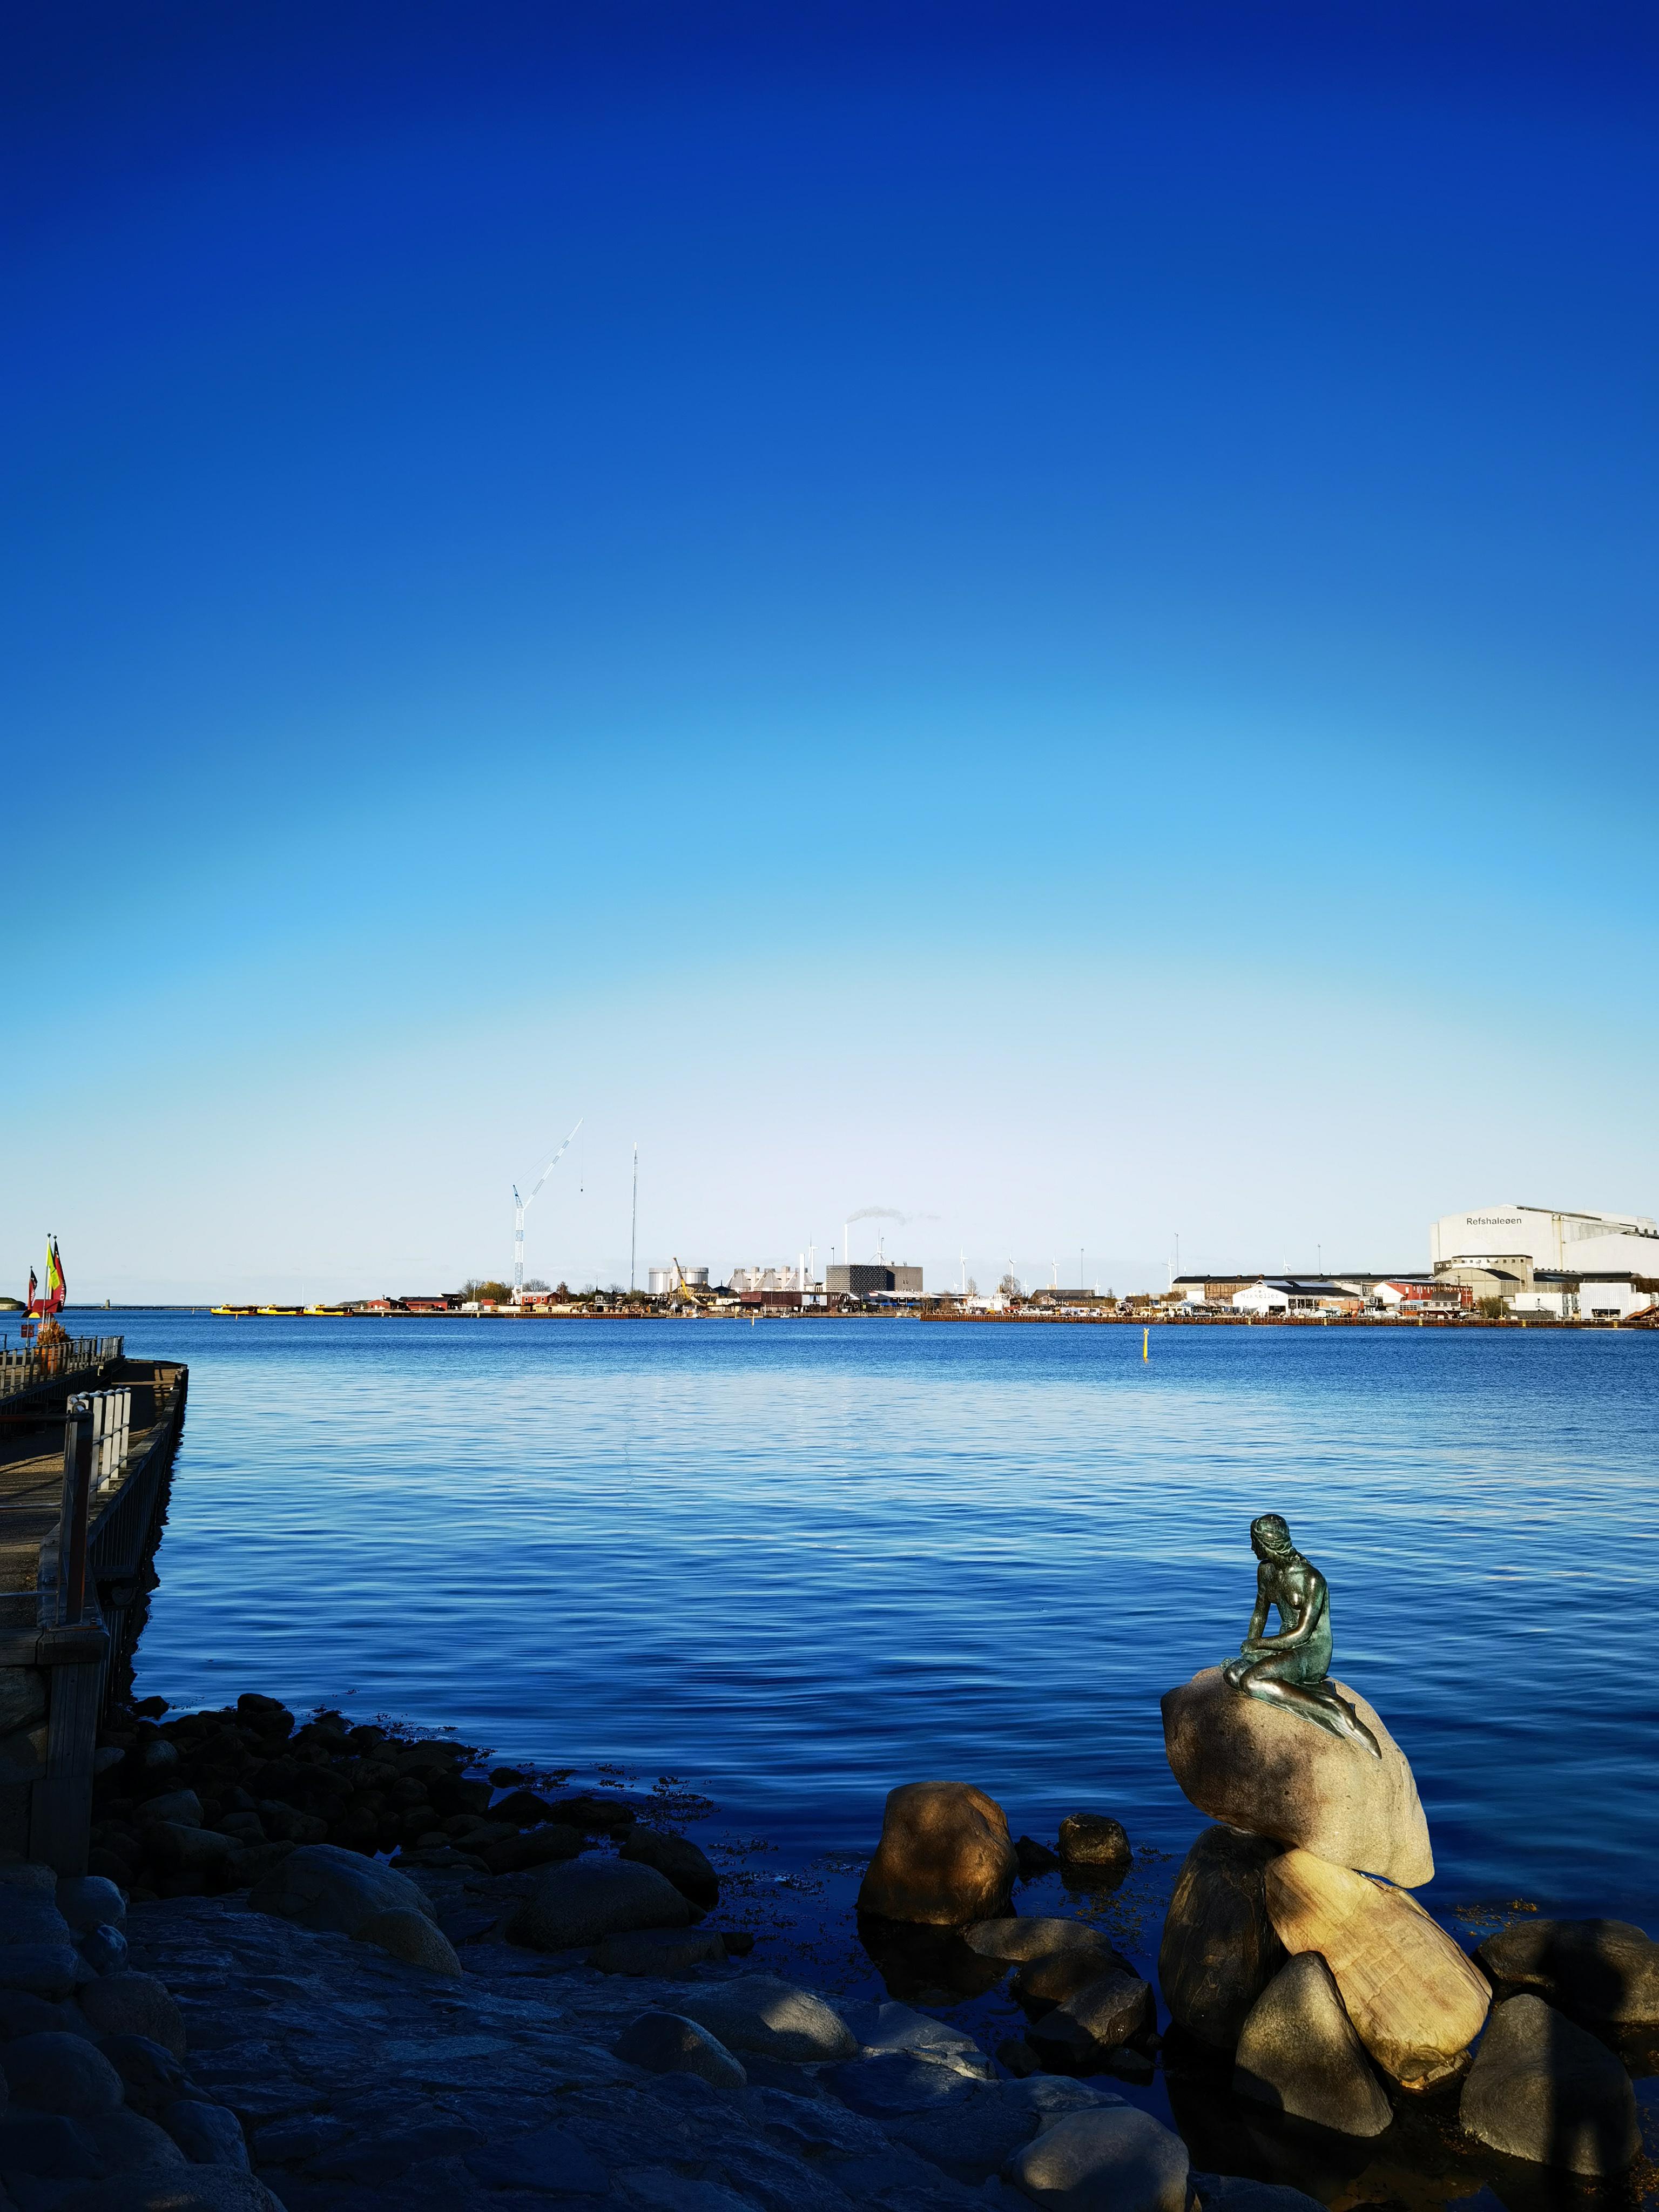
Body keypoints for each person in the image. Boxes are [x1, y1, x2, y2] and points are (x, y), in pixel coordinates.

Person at [1221, 1513, 1380, 1756]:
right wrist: (1250, 1648)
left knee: (1251, 1681)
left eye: (1254, 1542)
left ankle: (1333, 1711)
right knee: (1233, 1673)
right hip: (1283, 1646)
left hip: (1311, 1651)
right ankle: (1311, 1694)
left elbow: (1303, 1634)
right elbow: (1259, 1614)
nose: (1252, 1548)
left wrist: (1259, 1644)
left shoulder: (1312, 1579)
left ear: (1268, 1543)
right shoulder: (1265, 1571)